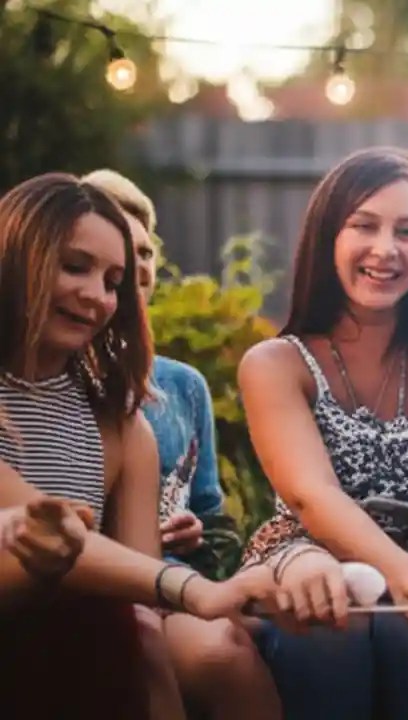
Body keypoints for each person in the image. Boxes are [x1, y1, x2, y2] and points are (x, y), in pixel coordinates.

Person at [0, 172, 336, 719]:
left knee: (124, 627)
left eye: (113, 281)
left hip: (71, 643)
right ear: (18, 256)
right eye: (75, 266)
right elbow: (19, 506)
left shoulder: (125, 428)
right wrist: (195, 591)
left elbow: (141, 610)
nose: (98, 297)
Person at [238, 146, 408, 720]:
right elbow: (311, 496)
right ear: (326, 238)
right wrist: (398, 570)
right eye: (364, 225)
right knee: (329, 631)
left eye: (407, 232)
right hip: (307, 567)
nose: (386, 250)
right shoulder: (275, 364)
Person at [80, 168, 282, 720]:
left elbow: (218, 527)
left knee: (299, 637)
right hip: (106, 591)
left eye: (145, 253)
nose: (137, 266)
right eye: (122, 251)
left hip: (180, 583)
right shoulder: (58, 376)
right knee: (223, 651)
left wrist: (195, 537)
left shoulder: (181, 386)